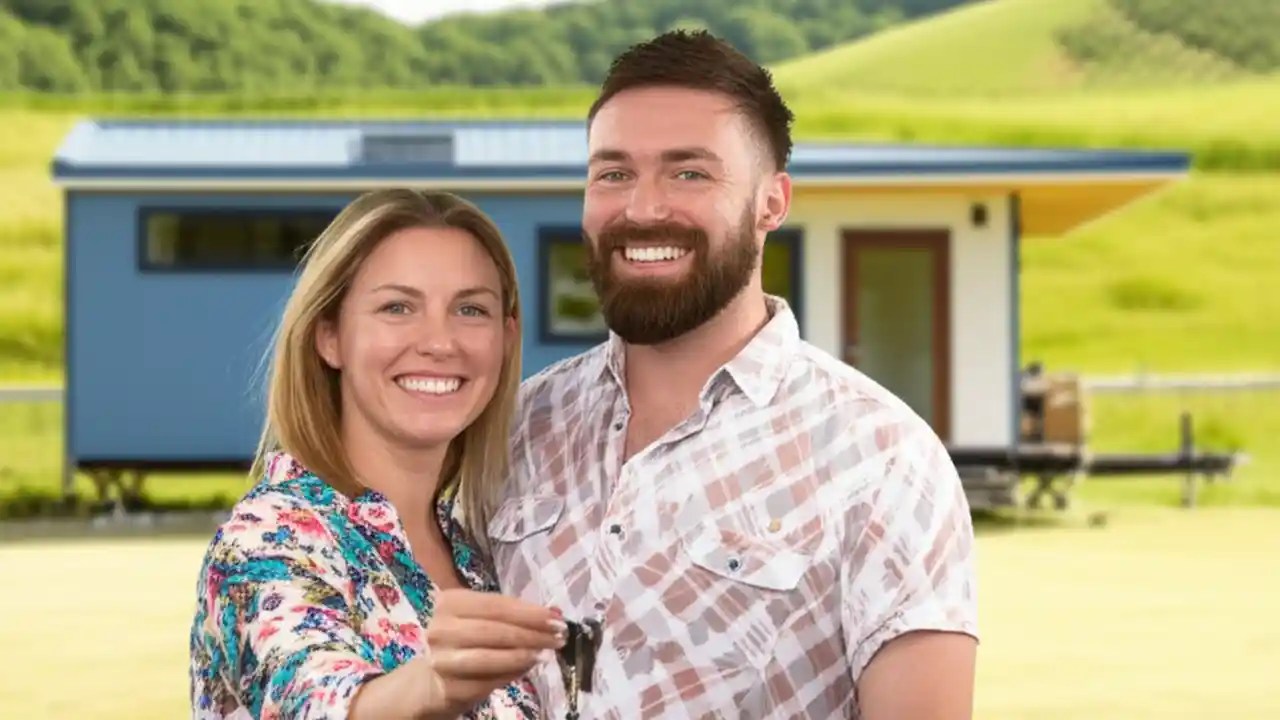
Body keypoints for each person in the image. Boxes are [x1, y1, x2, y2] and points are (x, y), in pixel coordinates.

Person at [486, 30, 980, 718]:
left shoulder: (884, 460)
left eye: (689, 173)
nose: (643, 208)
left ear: (772, 203)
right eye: (613, 173)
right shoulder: (512, 431)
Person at [188, 189, 565, 720]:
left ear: (505, 339)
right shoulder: (269, 540)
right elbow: (320, 702)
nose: (440, 341)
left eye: (470, 309)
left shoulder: (483, 556)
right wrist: (433, 683)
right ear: (330, 336)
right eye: (397, 307)